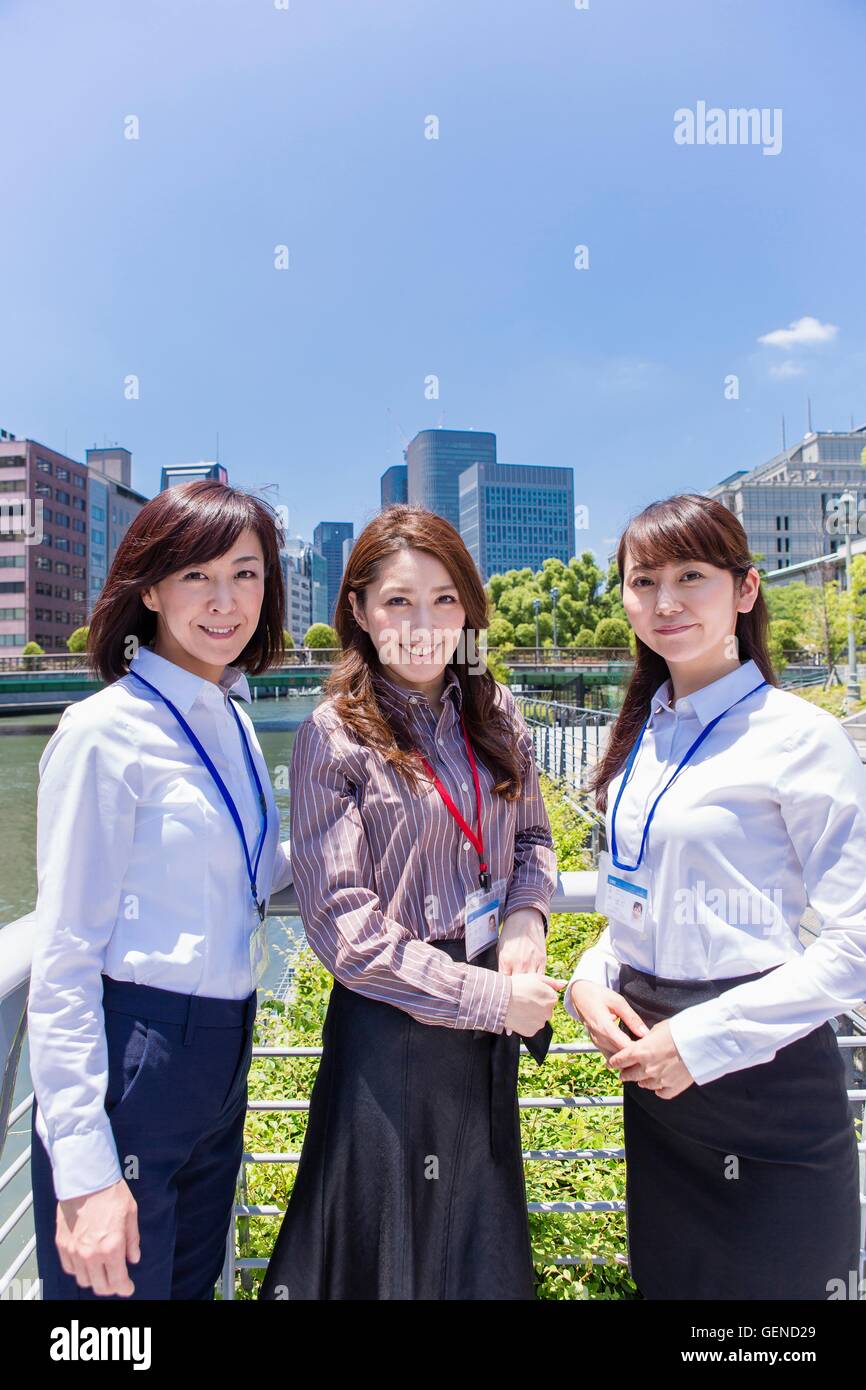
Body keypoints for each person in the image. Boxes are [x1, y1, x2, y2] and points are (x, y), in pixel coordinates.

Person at [564, 492, 865, 1300]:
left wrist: (702, 1041)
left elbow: (857, 943)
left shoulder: (800, 737)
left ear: (746, 588)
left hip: (763, 1076)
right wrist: (590, 976)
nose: (664, 602)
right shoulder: (642, 738)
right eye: (643, 581)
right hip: (655, 1083)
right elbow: (636, 900)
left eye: (690, 576)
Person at [259, 504, 563, 1301]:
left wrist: (527, 914)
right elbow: (345, 928)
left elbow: (534, 838)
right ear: (359, 610)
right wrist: (491, 999)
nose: (423, 626)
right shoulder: (333, 735)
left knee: (475, 1254)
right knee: (385, 1258)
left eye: (443, 599)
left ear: (468, 609)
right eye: (398, 601)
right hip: (391, 1030)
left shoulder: (496, 713)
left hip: (485, 1028)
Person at [28, 480, 294, 1300]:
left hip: (223, 1057)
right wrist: (84, 1173)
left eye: (245, 575)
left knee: (185, 1290)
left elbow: (252, 870)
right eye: (195, 576)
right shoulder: (104, 732)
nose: (225, 601)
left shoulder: (232, 718)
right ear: (149, 589)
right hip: (137, 1057)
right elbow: (64, 956)